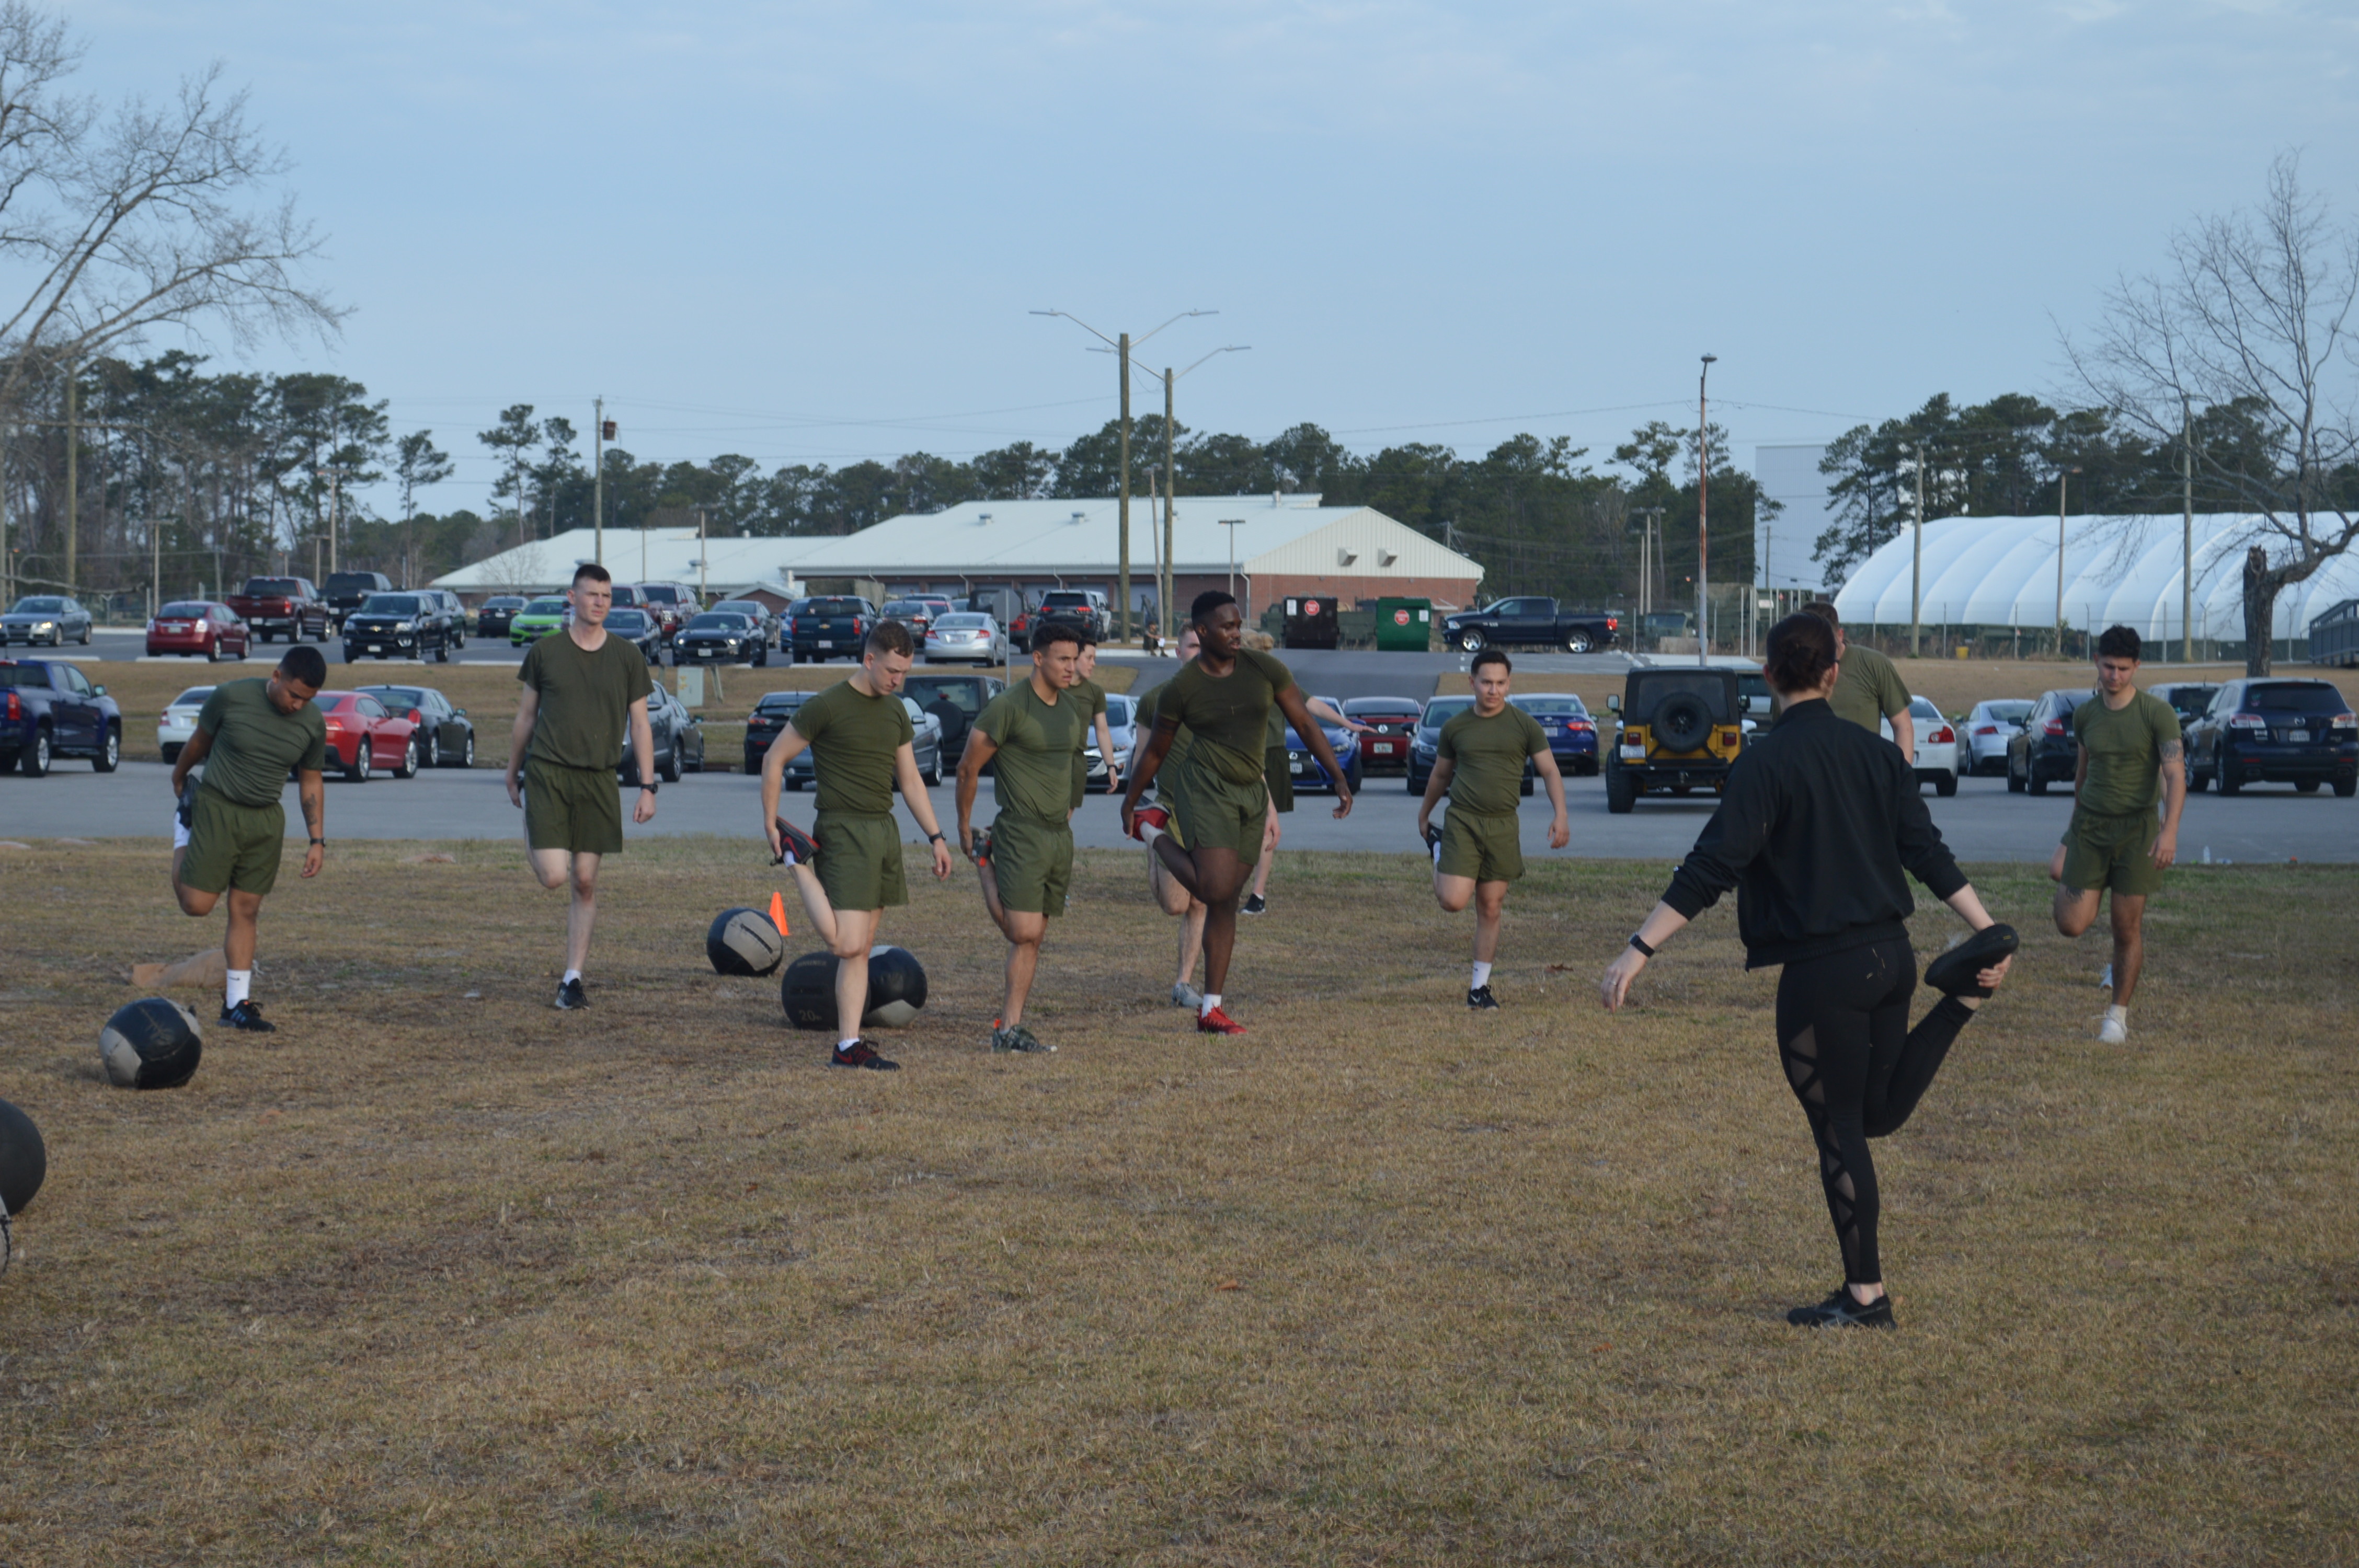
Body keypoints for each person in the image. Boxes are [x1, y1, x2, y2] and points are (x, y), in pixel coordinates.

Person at [1599, 612, 2018, 1329]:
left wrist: (1639, 949)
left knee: (1843, 1135)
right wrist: (1985, 931)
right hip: (1891, 959)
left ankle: (1866, 1298)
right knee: (1874, 1118)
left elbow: (1714, 866)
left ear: (1766, 677)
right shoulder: (1878, 756)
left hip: (1825, 976)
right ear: (1834, 672)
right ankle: (1957, 1006)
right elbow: (1927, 853)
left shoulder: (1764, 764)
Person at [1120, 591, 1354, 1035]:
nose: (1236, 634)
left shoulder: (1264, 670)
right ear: (1202, 632)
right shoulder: (1182, 688)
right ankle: (1154, 831)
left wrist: (1338, 777)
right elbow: (1156, 751)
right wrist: (1132, 802)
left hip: (1250, 790)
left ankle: (1211, 1008)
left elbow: (1304, 722)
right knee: (1213, 887)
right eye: (1227, 627)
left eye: (1239, 624)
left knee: (1225, 901)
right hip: (1204, 788)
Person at [762, 620, 957, 1070]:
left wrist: (936, 838)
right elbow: (775, 757)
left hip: (882, 832)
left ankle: (848, 1045)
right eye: (891, 670)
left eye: (904, 672)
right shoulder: (827, 705)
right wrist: (771, 823)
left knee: (862, 950)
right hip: (843, 829)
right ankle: (796, 859)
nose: (897, 680)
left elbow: (910, 780)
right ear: (869, 660)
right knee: (842, 943)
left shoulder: (896, 711)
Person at [507, 562, 658, 1010]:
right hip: (548, 773)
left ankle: (572, 979)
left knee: (586, 881)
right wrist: (513, 772)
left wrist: (648, 786)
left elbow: (641, 724)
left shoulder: (628, 656)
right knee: (555, 877)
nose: (599, 602)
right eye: (591, 594)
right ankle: (535, 827)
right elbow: (526, 718)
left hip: (599, 779)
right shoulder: (546, 653)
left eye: (606, 596)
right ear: (571, 598)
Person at [168, 646, 331, 1032]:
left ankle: (235, 1006)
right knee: (196, 905)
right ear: (276, 677)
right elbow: (199, 743)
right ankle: (182, 829)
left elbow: (311, 779)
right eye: (293, 695)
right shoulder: (231, 696)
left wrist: (317, 840)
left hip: (265, 822)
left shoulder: (312, 723)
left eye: (307, 699)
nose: (298, 705)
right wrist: (179, 777)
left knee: (246, 910)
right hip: (218, 806)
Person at [2049, 625, 2184, 1044]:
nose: (2115, 676)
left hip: (2137, 832)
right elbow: (2082, 775)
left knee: (2126, 929)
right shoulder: (2085, 714)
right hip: (2090, 827)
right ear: (2097, 662)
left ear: (2137, 666)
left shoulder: (2156, 713)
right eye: (2108, 667)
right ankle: (2096, 882)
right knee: (2070, 924)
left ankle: (2117, 1017)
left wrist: (2169, 831)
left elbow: (2175, 776)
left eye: (2124, 669)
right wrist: (2070, 835)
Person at [957, 622, 1086, 1053]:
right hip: (1021, 830)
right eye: (1063, 660)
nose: (1072, 668)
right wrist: (964, 823)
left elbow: (1072, 764)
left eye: (1075, 659)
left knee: (1033, 937)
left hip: (1057, 837)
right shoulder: (1008, 707)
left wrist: (1069, 805)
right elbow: (967, 768)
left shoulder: (1070, 709)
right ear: (1038, 658)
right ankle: (983, 857)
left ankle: (1008, 1029)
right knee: (1021, 930)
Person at [1417, 648, 1570, 1008]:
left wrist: (1561, 814)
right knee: (1453, 902)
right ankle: (1439, 850)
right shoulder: (1456, 727)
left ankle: (1478, 989)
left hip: (1503, 826)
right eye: (1486, 682)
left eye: (1501, 683)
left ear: (1509, 684)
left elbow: (1550, 771)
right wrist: (1425, 814)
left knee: (1490, 906)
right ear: (1472, 682)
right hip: (1463, 821)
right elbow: (1441, 774)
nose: (1493, 690)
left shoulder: (1524, 725)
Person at [1129, 625, 1212, 1009]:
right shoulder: (1153, 700)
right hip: (1169, 809)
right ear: (1178, 652)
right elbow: (1143, 757)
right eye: (1192, 646)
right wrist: (1133, 805)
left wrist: (1268, 808)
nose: (1198, 652)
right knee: (1175, 904)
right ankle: (1151, 841)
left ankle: (1184, 983)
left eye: (1203, 646)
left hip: (1213, 810)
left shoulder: (1224, 700)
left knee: (1202, 902)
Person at [1242, 691, 1370, 916]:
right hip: (1237, 751)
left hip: (1270, 754)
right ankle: (1223, 887)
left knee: (1265, 826)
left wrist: (1347, 723)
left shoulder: (1272, 673)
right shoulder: (1225, 669)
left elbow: (1311, 705)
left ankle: (1257, 895)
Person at [1799, 601, 1913, 758]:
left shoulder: (1873, 664)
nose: (1820, 648)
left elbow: (1903, 726)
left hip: (1863, 777)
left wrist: (1902, 777)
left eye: (1825, 641)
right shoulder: (1793, 670)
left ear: (1840, 635)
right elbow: (1780, 733)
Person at [1069, 632, 1120, 815]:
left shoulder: (1094, 692)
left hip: (1076, 763)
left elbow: (1102, 731)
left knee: (1064, 820)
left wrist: (1111, 766)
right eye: (1089, 658)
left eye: (1095, 659)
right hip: (1050, 761)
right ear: (1075, 657)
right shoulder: (1055, 686)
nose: (1093, 664)